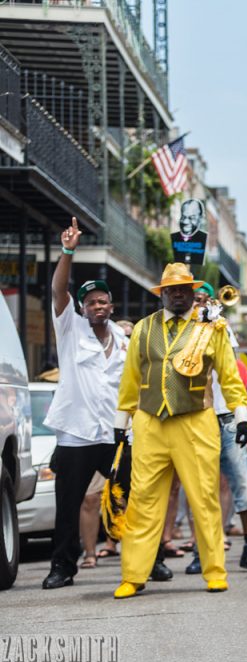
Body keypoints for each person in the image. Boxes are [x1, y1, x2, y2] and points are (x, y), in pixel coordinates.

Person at [113, 263, 247, 598]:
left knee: (204, 497)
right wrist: (122, 422)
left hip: (195, 421)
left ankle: (215, 571)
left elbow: (229, 377)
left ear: (192, 292)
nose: (178, 294)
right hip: (150, 422)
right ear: (162, 293)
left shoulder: (212, 328)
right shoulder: (144, 329)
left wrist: (242, 414)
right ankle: (134, 574)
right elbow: (130, 378)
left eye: (183, 289)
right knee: (143, 500)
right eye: (171, 289)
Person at [40, 218, 130, 589]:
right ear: (82, 307)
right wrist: (68, 251)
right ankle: (62, 566)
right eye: (91, 301)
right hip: (77, 433)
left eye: (102, 300)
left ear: (111, 305)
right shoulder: (70, 327)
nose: (97, 305)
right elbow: (58, 288)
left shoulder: (126, 342)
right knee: (68, 506)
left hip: (115, 432)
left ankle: (148, 560)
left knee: (133, 497)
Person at [184, 283, 247, 575]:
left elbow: (231, 371)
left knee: (243, 482)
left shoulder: (219, 327)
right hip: (196, 417)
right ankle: (201, 552)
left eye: (202, 299)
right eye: (193, 299)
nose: (197, 304)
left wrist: (245, 416)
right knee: (201, 488)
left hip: (225, 416)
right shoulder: (180, 329)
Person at [171, 199, 209, 265]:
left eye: (192, 218)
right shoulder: (174, 237)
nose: (186, 222)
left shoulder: (202, 238)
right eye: (183, 217)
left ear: (201, 219)